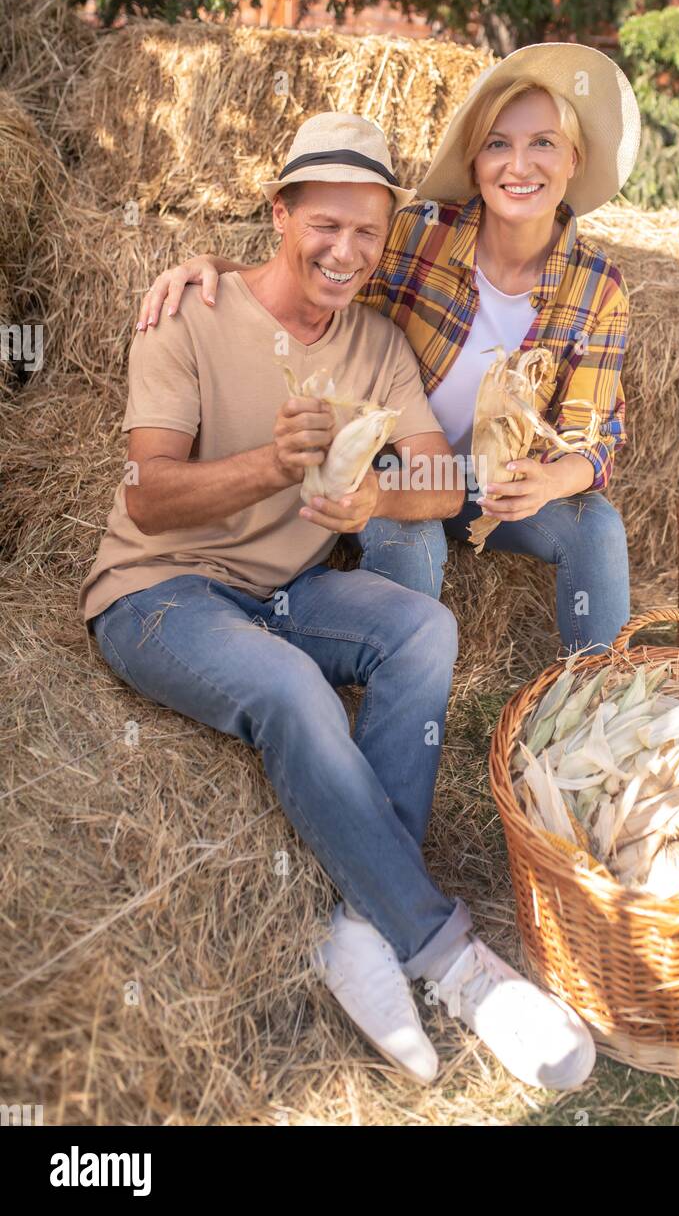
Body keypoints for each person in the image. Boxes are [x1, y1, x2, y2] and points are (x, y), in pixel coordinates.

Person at [79, 113, 596, 1091]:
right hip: (160, 593)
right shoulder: (189, 312)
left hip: (283, 590)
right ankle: (455, 965)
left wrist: (374, 497)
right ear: (279, 212)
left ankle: (360, 928)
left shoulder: (370, 343)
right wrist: (269, 465)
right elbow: (147, 496)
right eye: (325, 224)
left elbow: (445, 484)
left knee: (422, 628)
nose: (346, 251)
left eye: (368, 231)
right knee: (292, 692)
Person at [138, 44, 639, 655]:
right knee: (413, 535)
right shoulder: (422, 230)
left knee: (597, 526)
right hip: (402, 463)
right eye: (498, 144)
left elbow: (595, 433)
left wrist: (551, 482)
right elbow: (323, 265)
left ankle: (598, 698)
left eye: (543, 143)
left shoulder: (597, 286)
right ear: (476, 160)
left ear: (573, 160)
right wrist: (214, 266)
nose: (519, 165)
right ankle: (403, 675)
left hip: (498, 484)